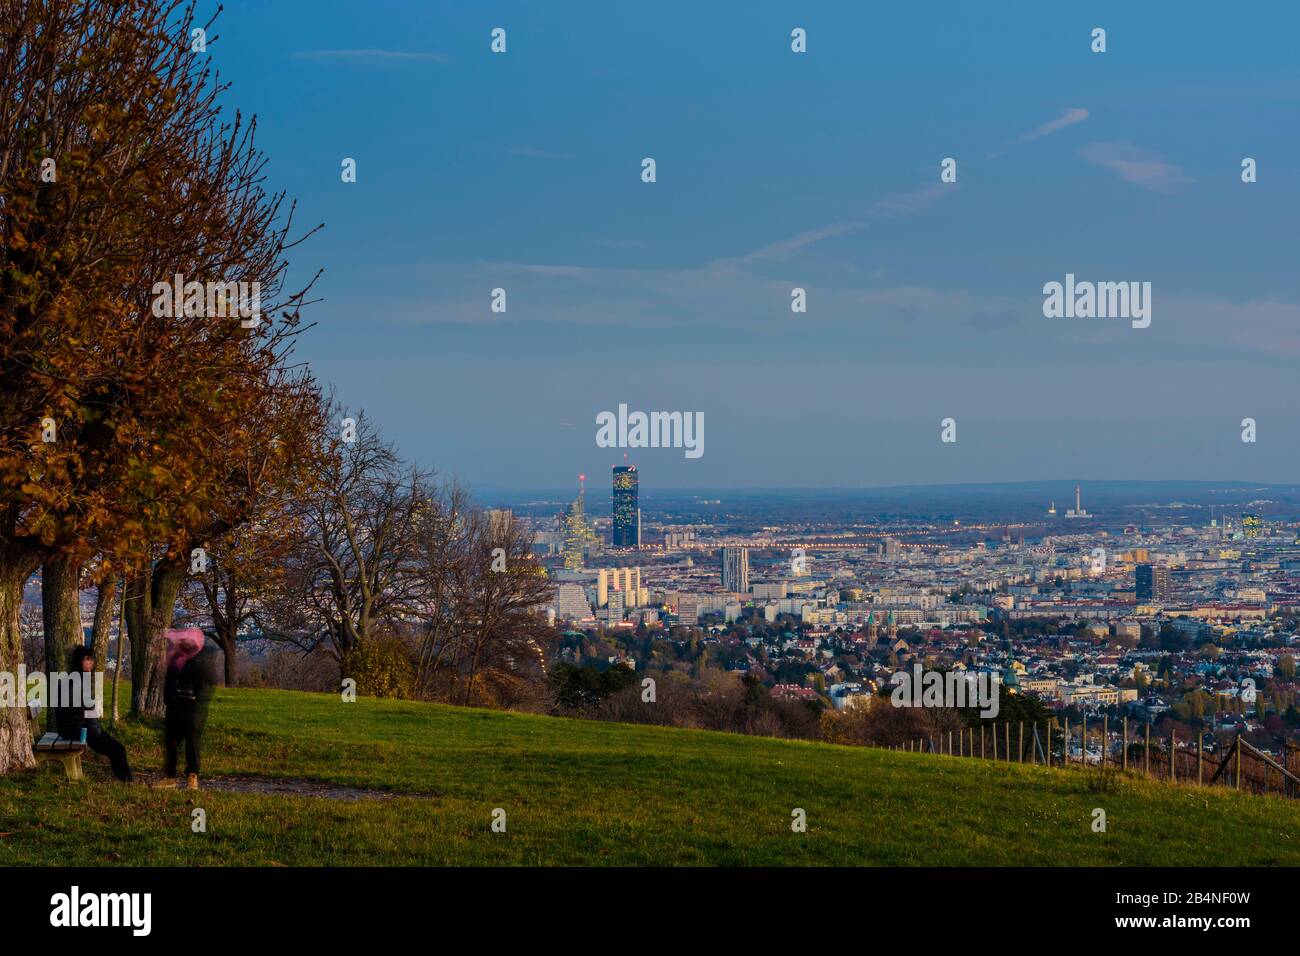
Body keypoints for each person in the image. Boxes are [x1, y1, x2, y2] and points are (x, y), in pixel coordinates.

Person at [153, 626, 221, 791]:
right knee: (170, 743)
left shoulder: (201, 661)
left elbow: (208, 685)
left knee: (192, 744)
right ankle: (170, 776)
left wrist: (197, 704)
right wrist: (169, 701)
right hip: (175, 708)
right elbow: (169, 682)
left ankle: (192, 776)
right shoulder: (175, 659)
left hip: (193, 711)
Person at [54, 646, 133, 783]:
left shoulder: (76, 678)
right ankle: (127, 782)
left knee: (118, 748)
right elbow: (79, 711)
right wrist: (95, 731)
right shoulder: (74, 681)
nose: (91, 662)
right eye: (87, 659)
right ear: (80, 661)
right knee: (117, 749)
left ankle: (127, 780)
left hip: (78, 727)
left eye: (91, 659)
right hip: (76, 730)